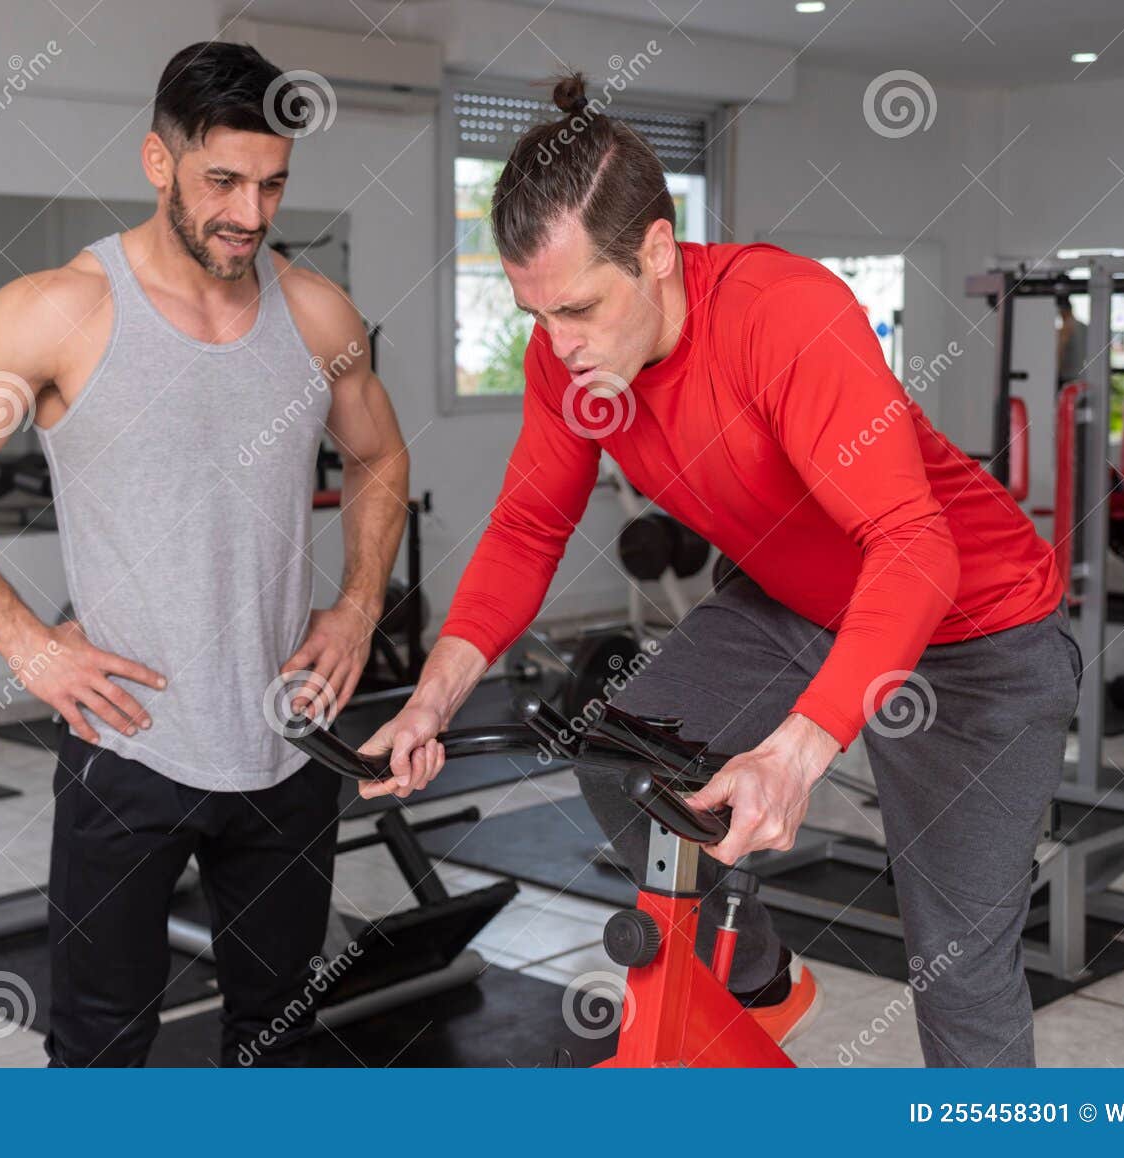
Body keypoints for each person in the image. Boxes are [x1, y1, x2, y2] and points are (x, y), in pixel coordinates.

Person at [360, 74, 1080, 1067]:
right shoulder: (565, 358)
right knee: (623, 761)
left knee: (956, 963)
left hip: (977, 628)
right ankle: (758, 988)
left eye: (575, 308)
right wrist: (433, 700)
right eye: (533, 314)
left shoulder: (784, 317)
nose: (556, 346)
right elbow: (529, 527)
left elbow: (914, 549)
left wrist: (794, 752)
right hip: (791, 603)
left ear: (656, 251)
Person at [0, 41, 409, 1067]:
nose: (249, 214)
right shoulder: (62, 312)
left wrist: (356, 607)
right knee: (99, 1049)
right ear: (158, 164)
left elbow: (380, 456)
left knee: (280, 1038)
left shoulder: (315, 313)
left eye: (270, 184)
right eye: (221, 182)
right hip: (130, 750)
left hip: (286, 746)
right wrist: (27, 645)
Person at [1056, 293, 1089, 385]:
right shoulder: (1084, 327)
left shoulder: (1066, 328)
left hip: (1067, 377)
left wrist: (1055, 373)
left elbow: (1059, 352)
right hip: (1081, 376)